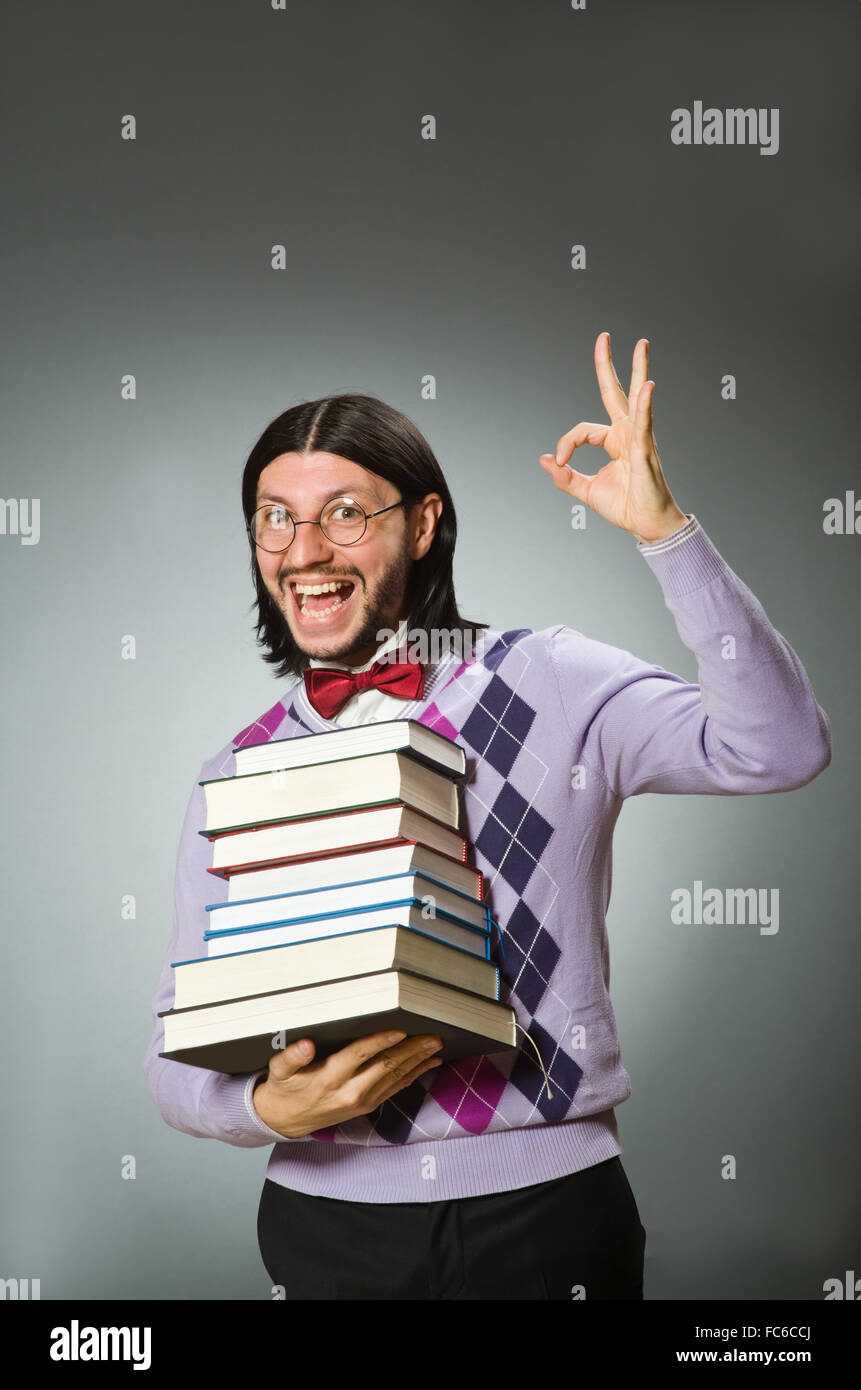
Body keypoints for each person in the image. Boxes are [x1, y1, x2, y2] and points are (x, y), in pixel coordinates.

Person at [143, 332, 831, 1300]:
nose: (304, 550)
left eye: (345, 514)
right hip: (323, 1222)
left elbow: (781, 745)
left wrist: (666, 535)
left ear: (423, 524)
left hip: (547, 1210)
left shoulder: (549, 677)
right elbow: (174, 1048)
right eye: (275, 519)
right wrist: (262, 1105)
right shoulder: (240, 768)